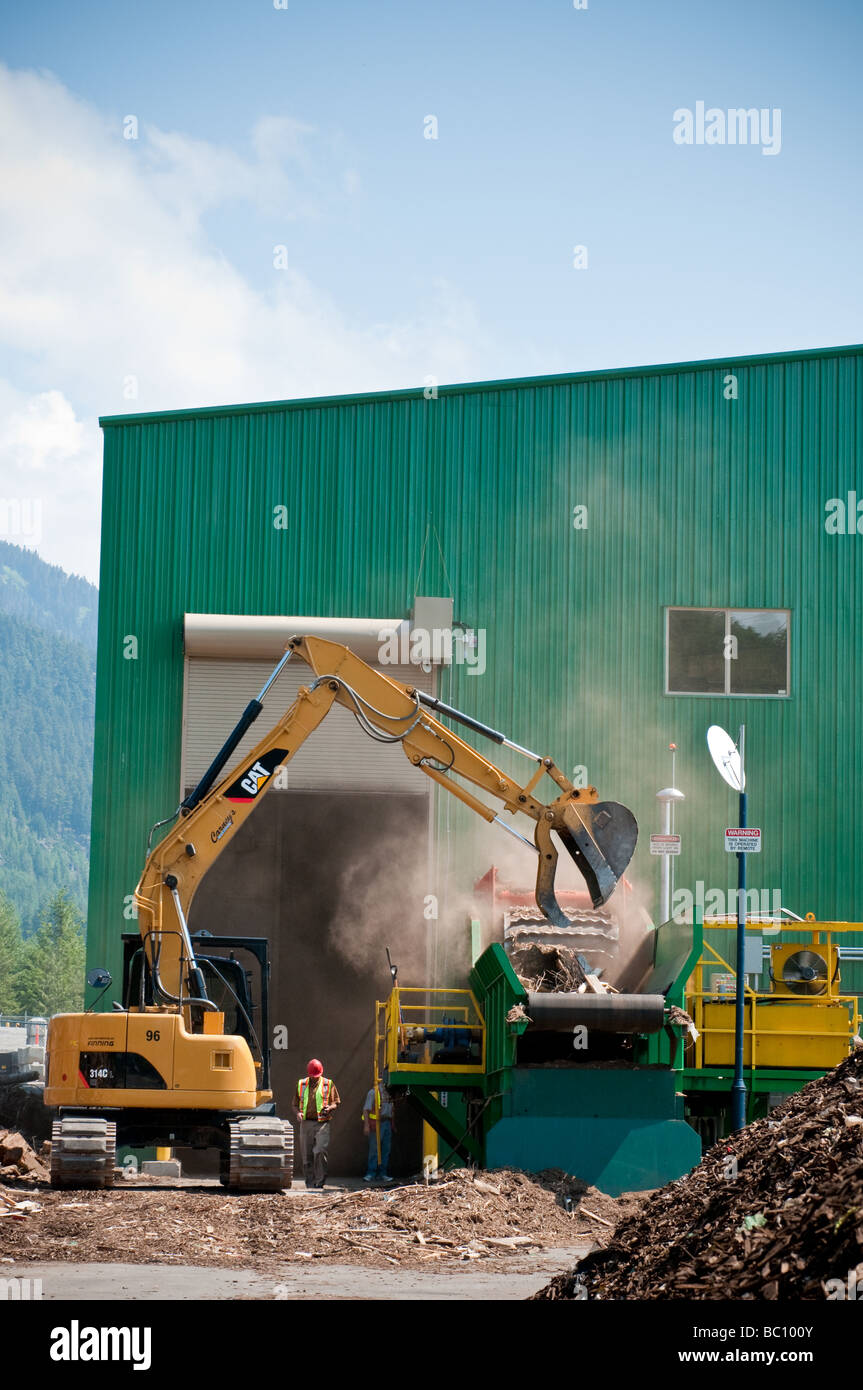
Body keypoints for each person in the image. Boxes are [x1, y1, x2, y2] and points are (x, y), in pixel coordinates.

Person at [293, 1059, 340, 1189]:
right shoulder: (301, 1084)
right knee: (306, 1155)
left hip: (322, 1123)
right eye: (313, 1076)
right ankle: (310, 1183)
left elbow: (336, 1101)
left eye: (317, 1076)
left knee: (320, 1151)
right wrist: (298, 1113)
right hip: (306, 1123)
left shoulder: (328, 1084)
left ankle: (320, 1181)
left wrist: (330, 1108)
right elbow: (294, 1104)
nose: (315, 1078)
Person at [362, 1081, 394, 1183]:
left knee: (385, 1149)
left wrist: (393, 1124)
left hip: (387, 1123)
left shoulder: (389, 1093)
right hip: (376, 1123)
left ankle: (382, 1174)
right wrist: (366, 1125)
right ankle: (371, 1173)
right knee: (374, 1149)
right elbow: (366, 1109)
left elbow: (392, 1109)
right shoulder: (373, 1092)